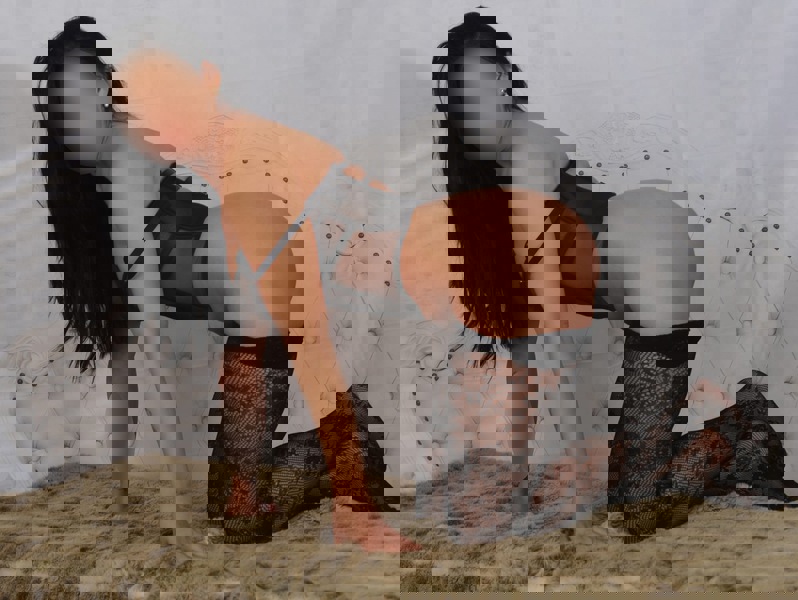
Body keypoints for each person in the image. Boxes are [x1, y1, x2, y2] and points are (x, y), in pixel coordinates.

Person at [401, 11, 795, 543]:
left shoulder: (527, 151)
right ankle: (733, 435)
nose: (476, 104)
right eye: (460, 93)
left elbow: (538, 331)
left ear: (505, 81)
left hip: (652, 262)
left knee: (635, 505)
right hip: (609, 283)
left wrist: (514, 477)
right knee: (628, 489)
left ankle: (745, 426)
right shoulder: (477, 178)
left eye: (487, 82)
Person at [34, 16, 415, 552]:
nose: (76, 114)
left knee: (237, 517)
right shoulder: (88, 186)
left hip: (239, 259)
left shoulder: (145, 145)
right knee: (234, 509)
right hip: (212, 267)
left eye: (90, 93)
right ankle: (340, 450)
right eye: (61, 101)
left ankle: (328, 454)